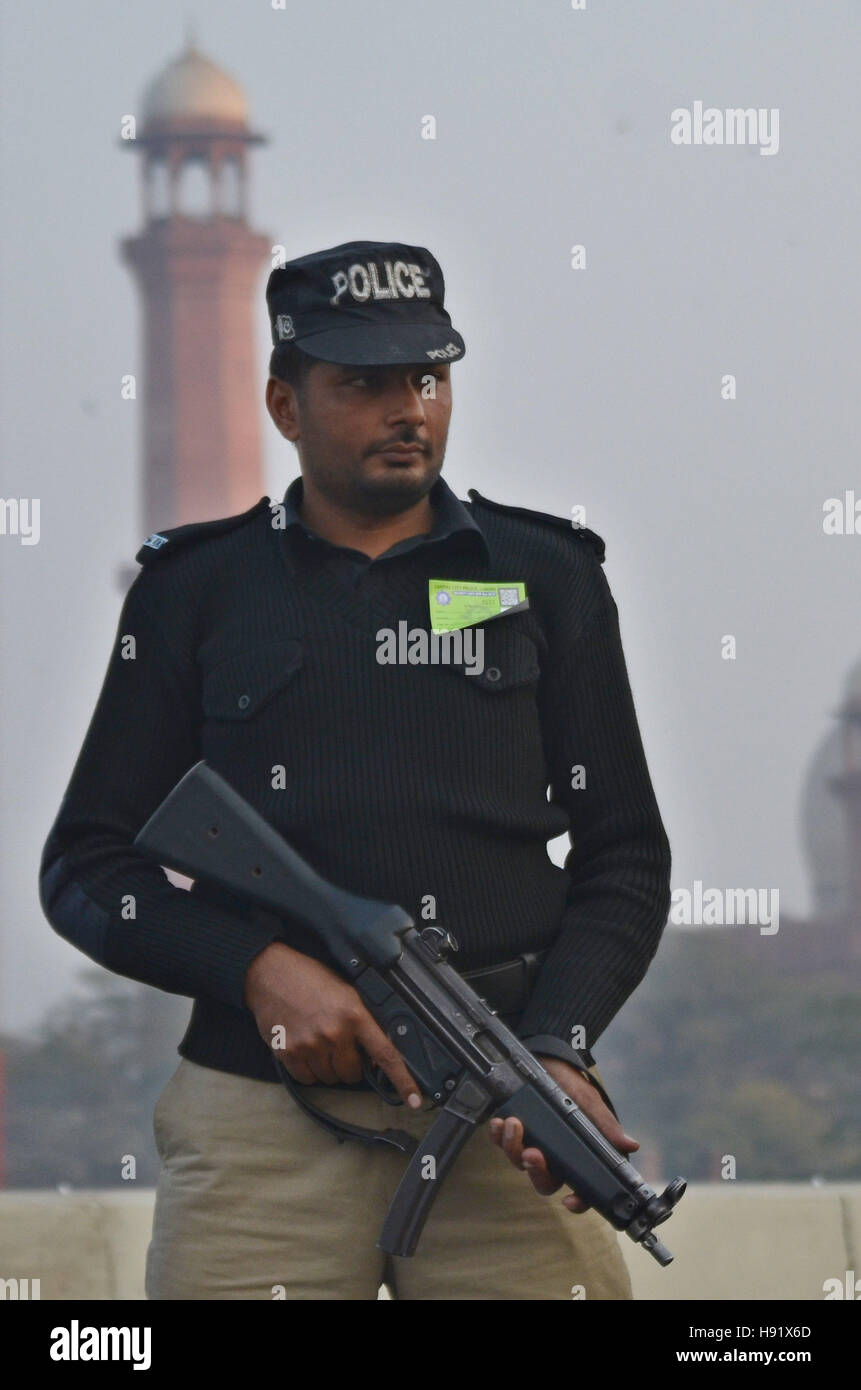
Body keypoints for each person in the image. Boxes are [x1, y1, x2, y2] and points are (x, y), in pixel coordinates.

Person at [38, 238, 672, 1301]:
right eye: (364, 383)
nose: (407, 408)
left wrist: (558, 1042)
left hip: (502, 1114)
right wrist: (259, 970)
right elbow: (87, 867)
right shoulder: (195, 592)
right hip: (262, 1130)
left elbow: (627, 857)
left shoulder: (543, 578)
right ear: (286, 406)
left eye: (427, 378)